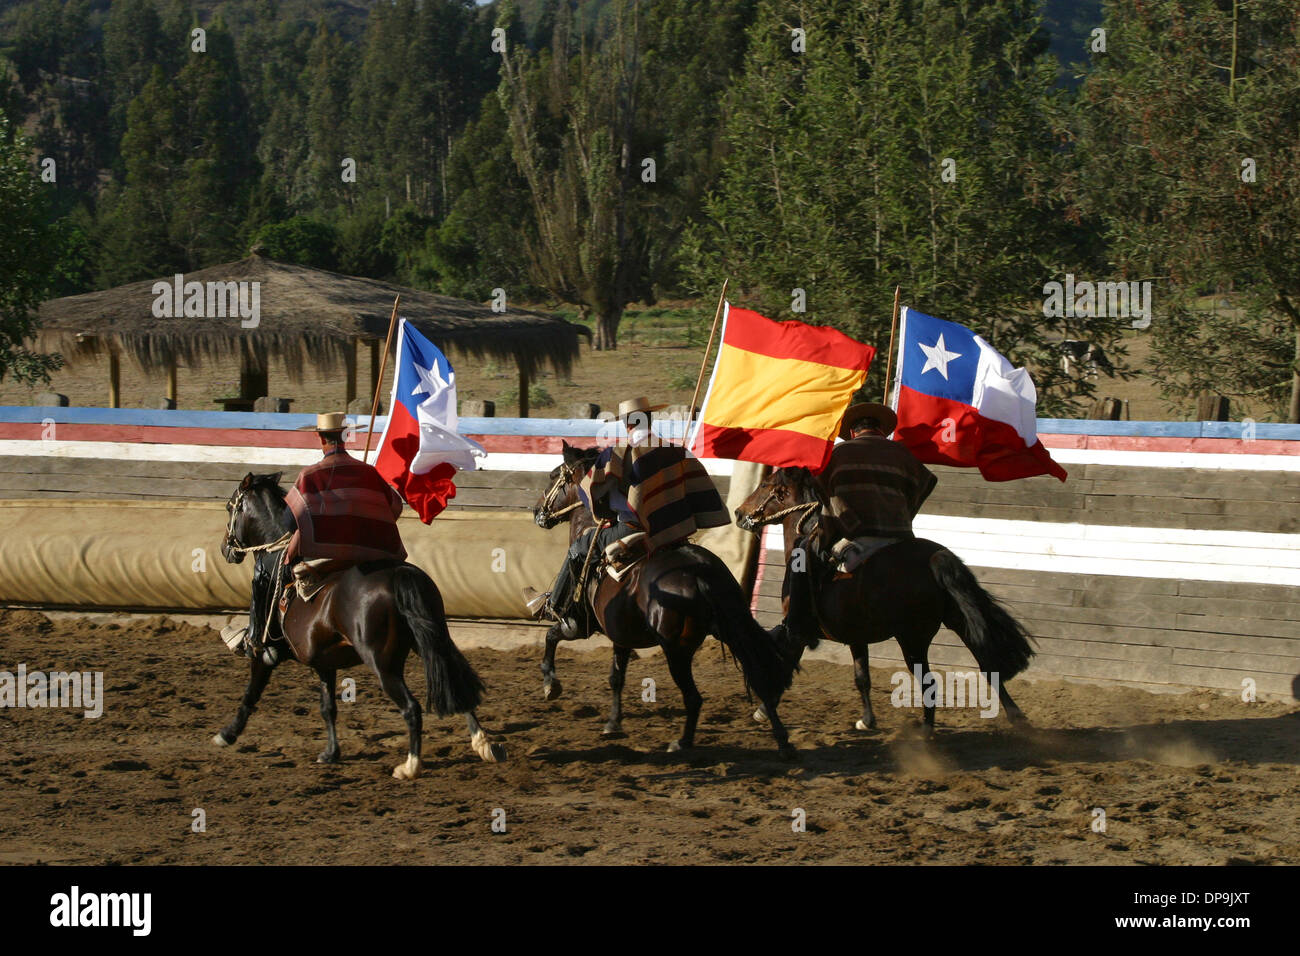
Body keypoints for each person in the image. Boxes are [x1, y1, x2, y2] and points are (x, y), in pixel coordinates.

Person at [525, 396, 729, 641]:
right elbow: (695, 486)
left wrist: (606, 507)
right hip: (674, 530)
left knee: (579, 548)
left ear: (627, 425)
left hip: (633, 529)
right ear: (650, 419)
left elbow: (589, 490)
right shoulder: (674, 449)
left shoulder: (620, 453)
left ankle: (554, 606)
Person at [231, 412, 407, 665]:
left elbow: (289, 522)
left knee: (265, 569)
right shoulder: (368, 472)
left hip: (329, 559)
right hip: (377, 555)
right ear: (346, 436)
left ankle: (264, 638)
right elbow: (395, 508)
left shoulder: (311, 475)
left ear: (320, 438)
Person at [782, 402, 936, 645]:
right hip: (900, 536)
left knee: (800, 551)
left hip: (856, 536)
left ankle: (796, 623)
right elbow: (928, 482)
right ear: (881, 430)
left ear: (852, 432)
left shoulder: (839, 454)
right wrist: (905, 515)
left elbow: (826, 495)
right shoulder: (903, 453)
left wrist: (845, 524)